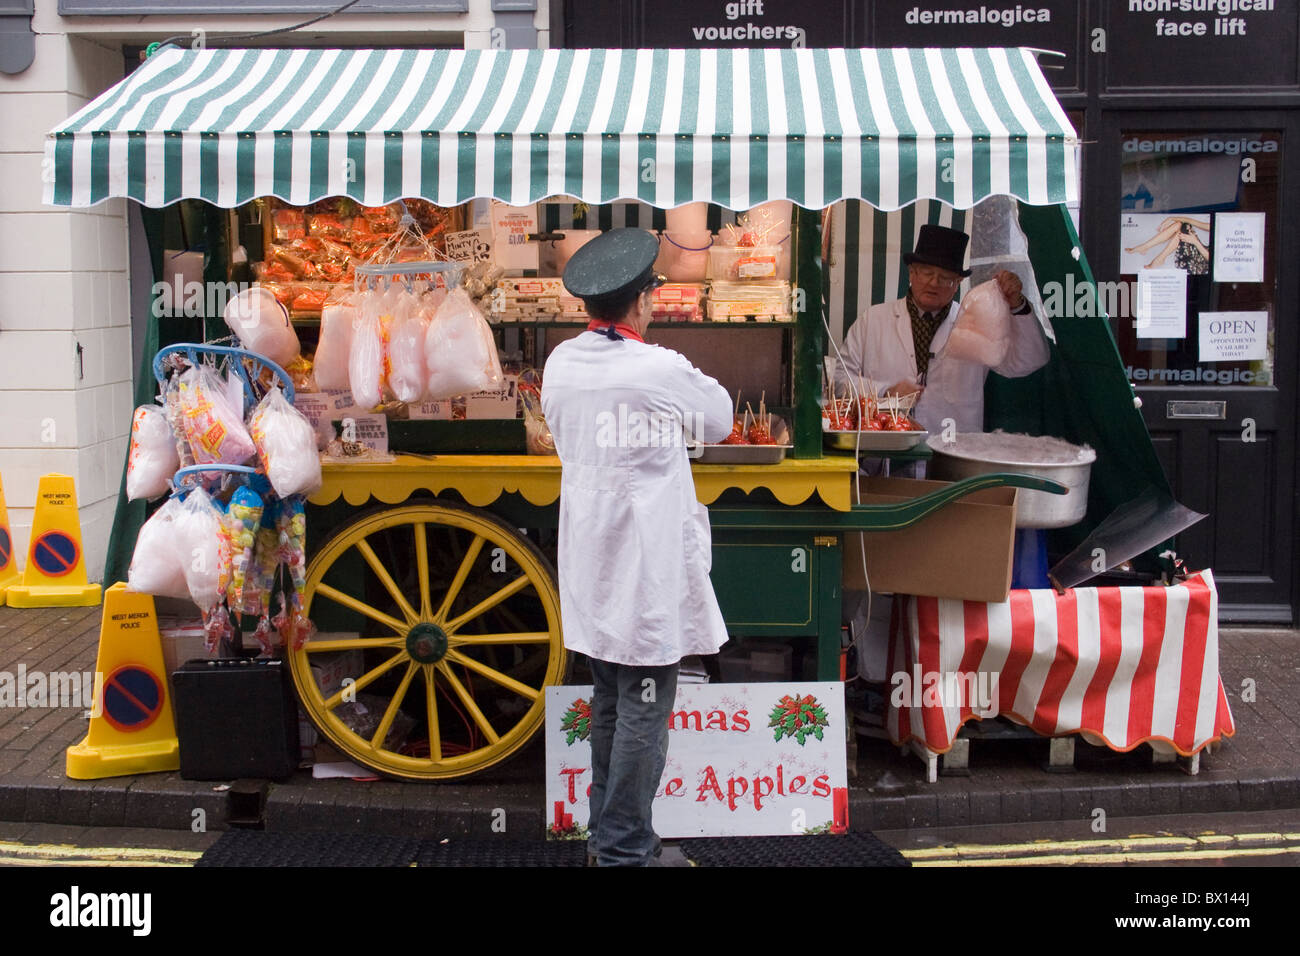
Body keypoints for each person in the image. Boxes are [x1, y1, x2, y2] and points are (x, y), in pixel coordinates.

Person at [541, 228, 733, 867]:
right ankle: (623, 849)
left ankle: (611, 839)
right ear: (643, 301)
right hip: (645, 569)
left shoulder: (561, 362)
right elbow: (722, 419)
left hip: (593, 565)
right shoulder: (658, 366)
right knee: (644, 707)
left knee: (610, 698)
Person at [837, 224, 1049, 435]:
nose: (934, 282)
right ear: (912, 273)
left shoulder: (976, 322)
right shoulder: (873, 320)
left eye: (945, 278)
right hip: (885, 449)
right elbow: (838, 380)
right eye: (927, 273)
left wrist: (1017, 305)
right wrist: (886, 391)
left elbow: (1026, 362)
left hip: (953, 447)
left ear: (957, 283)